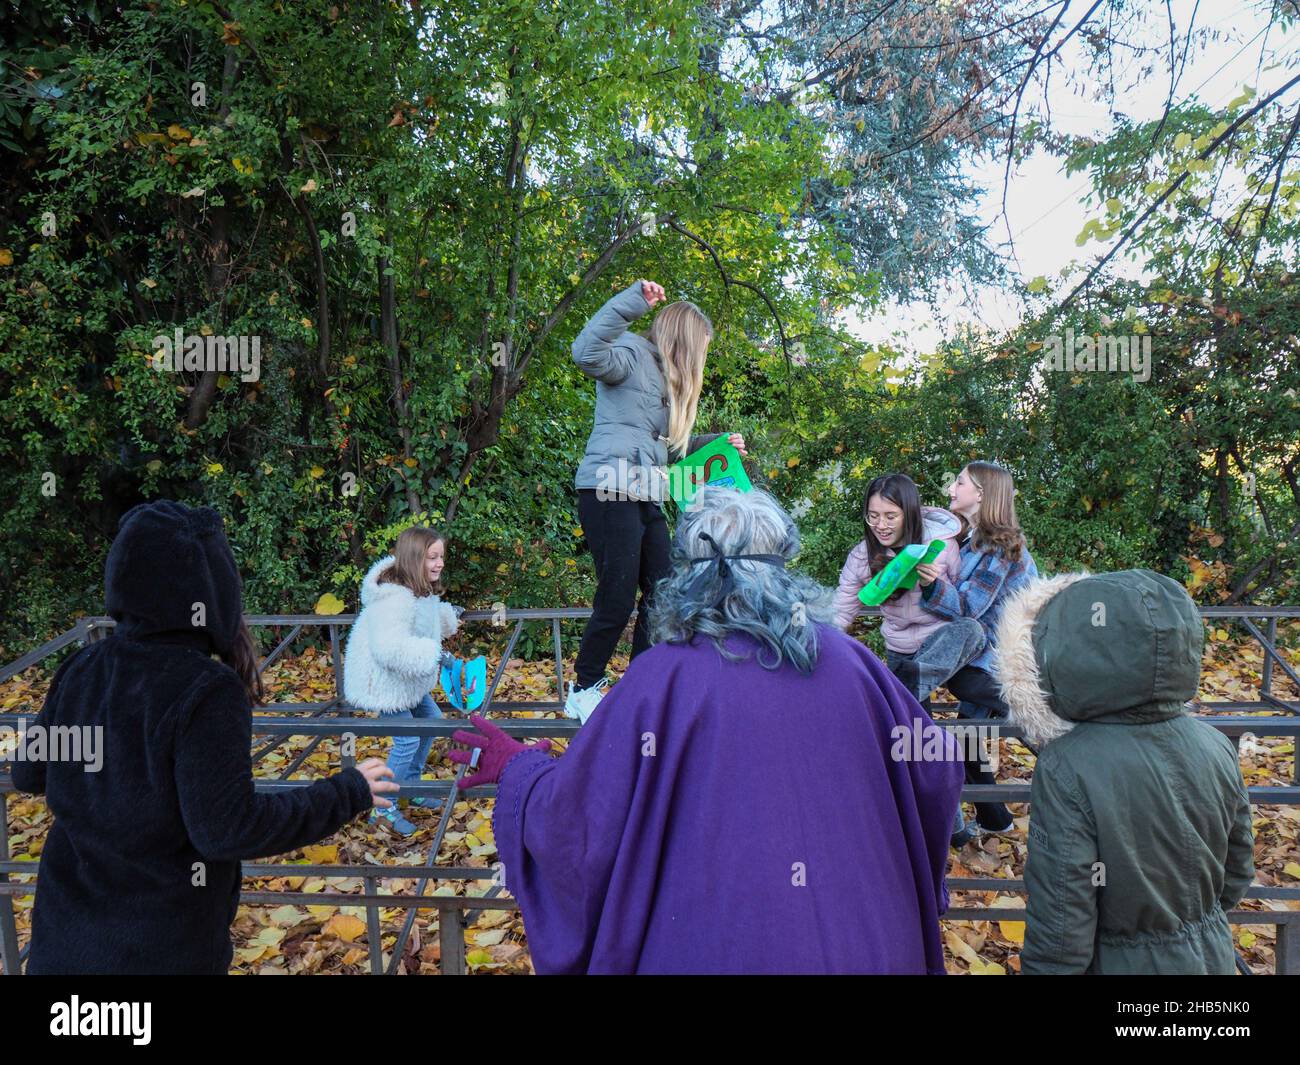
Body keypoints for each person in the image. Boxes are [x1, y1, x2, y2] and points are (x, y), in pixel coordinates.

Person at [449, 487, 963, 974]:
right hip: (869, 944)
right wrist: (914, 881)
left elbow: (581, 817)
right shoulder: (852, 664)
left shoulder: (662, 677)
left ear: (689, 577)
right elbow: (935, 768)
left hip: (709, 948)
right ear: (784, 571)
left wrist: (519, 769)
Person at [10, 501, 396, 974]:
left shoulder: (82, 668)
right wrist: (346, 791)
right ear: (216, 587)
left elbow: (30, 773)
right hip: (158, 954)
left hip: (61, 949)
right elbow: (227, 829)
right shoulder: (205, 690)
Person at [996, 569, 1255, 974]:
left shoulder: (1068, 765)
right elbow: (1237, 871)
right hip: (1210, 957)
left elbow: (1063, 918)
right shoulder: (1216, 744)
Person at [565, 278, 747, 724]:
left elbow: (668, 452)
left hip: (646, 494)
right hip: (607, 489)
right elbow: (584, 351)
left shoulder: (670, 385)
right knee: (618, 592)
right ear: (683, 339)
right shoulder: (628, 356)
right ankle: (583, 686)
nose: (701, 359)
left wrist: (715, 443)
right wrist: (633, 302)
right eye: (699, 347)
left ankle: (640, 682)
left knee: (664, 591)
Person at [833, 472, 977, 845]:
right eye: (872, 515)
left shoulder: (942, 546)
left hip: (941, 647)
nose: (880, 525)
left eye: (890, 516)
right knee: (920, 742)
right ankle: (955, 830)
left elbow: (966, 607)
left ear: (908, 513)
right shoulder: (862, 556)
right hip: (901, 653)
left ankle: (899, 696)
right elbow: (840, 611)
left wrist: (935, 585)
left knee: (970, 636)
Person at [911, 461, 1039, 834]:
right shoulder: (971, 542)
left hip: (1003, 657)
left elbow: (968, 609)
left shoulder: (1001, 547)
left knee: (977, 695)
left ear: (981, 493)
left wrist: (932, 584)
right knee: (968, 736)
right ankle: (995, 821)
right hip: (982, 653)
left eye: (959, 482)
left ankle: (1060, 737)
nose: (951, 488)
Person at [343, 526, 463, 836]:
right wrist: (434, 654)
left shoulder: (419, 591)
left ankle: (409, 784)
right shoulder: (394, 599)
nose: (439, 564)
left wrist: (450, 617)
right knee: (408, 738)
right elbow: (390, 649)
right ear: (413, 559)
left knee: (433, 721)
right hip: (383, 683)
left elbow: (426, 621)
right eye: (431, 558)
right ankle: (382, 808)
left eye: (441, 557)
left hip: (406, 682)